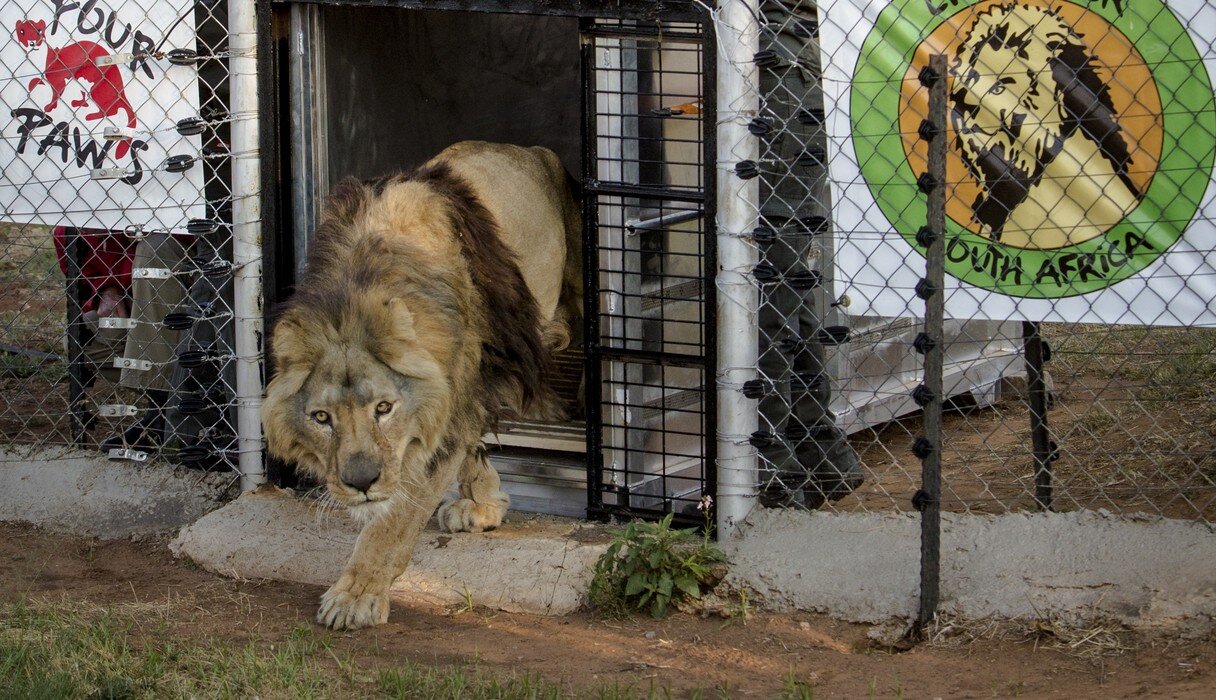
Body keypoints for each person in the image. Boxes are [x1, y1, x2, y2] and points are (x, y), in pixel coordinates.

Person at [54, 227, 191, 452]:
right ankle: (166, 407)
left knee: (154, 249)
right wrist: (106, 289)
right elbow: (83, 288)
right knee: (81, 337)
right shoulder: (68, 234)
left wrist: (142, 231)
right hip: (134, 315)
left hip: (188, 313)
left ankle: (166, 415)